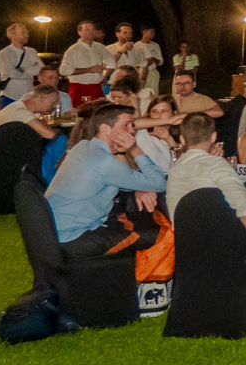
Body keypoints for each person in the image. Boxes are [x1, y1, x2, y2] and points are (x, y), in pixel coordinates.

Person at [44, 105, 167, 259]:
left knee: (137, 216)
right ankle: (144, 280)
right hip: (74, 239)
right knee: (159, 233)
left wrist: (140, 187)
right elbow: (159, 183)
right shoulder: (104, 162)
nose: (131, 131)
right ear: (105, 129)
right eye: (126, 125)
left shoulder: (83, 147)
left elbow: (122, 179)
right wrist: (135, 149)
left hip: (54, 231)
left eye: (132, 125)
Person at [166, 112, 246, 265]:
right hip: (222, 242)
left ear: (182, 139)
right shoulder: (215, 165)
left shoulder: (174, 169)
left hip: (185, 243)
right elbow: (243, 205)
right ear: (213, 137)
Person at [0, 83, 60, 155]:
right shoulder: (19, 111)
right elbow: (50, 135)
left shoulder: (31, 112)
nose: (54, 106)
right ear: (43, 97)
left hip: (10, 154)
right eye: (53, 102)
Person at [59, 20, 113, 107]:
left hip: (96, 88)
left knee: (98, 114)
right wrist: (89, 70)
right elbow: (63, 70)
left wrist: (105, 76)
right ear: (80, 32)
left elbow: (112, 63)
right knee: (80, 114)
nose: (91, 32)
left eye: (92, 29)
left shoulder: (100, 47)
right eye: (87, 29)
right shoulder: (73, 50)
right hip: (80, 88)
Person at [0, 22, 41, 102]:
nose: (27, 35)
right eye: (23, 32)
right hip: (10, 96)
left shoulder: (31, 51)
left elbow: (41, 69)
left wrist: (22, 70)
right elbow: (10, 73)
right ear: (12, 35)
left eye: (27, 32)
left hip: (28, 96)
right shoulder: (5, 53)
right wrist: (31, 69)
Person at [132, 27, 164, 95]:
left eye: (154, 32)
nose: (153, 34)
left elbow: (160, 61)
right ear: (144, 32)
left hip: (153, 73)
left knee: (154, 93)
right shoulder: (136, 46)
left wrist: (154, 59)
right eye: (151, 32)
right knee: (142, 93)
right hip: (142, 74)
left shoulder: (155, 45)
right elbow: (134, 63)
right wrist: (145, 64)